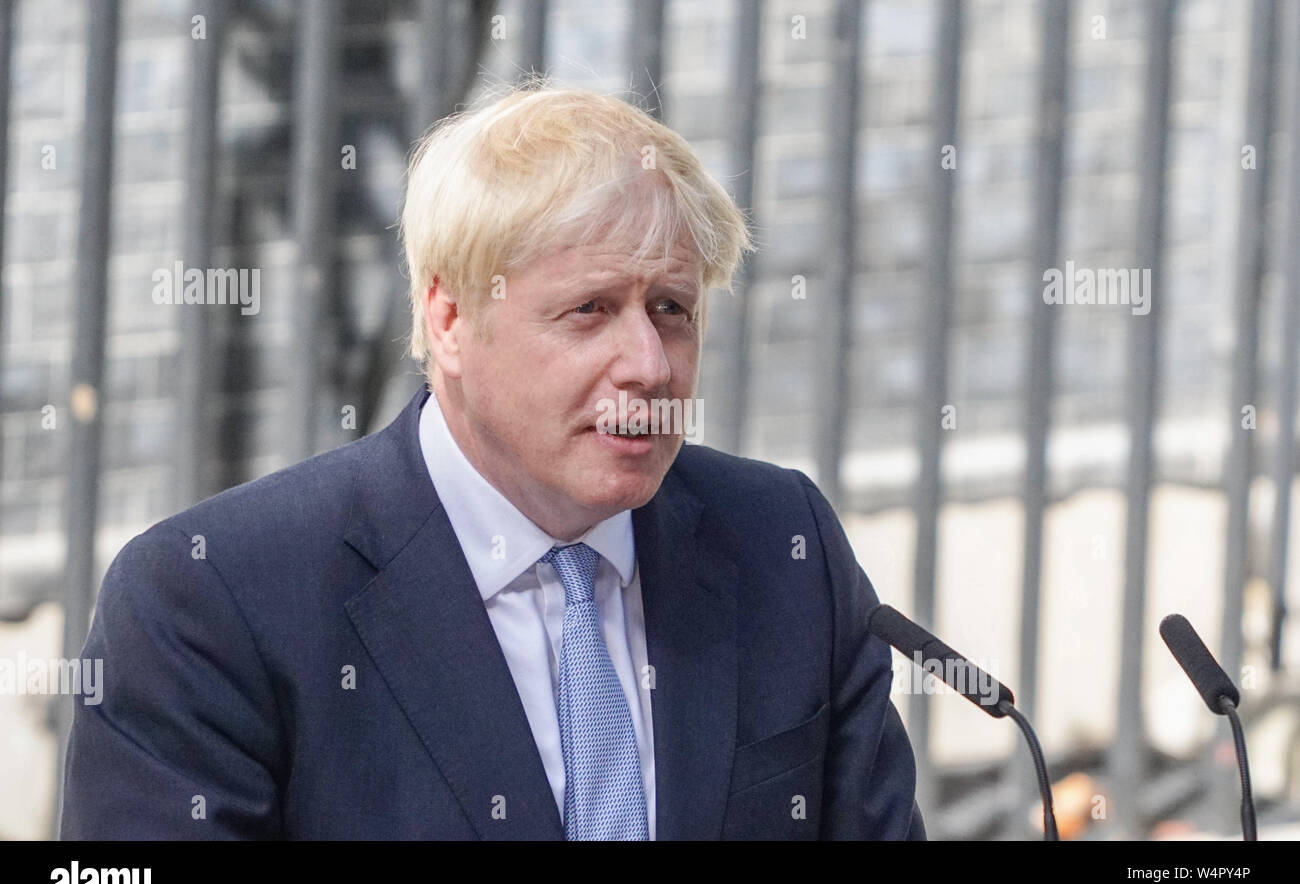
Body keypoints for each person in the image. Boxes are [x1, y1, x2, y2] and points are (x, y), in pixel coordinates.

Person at [60, 82, 924, 840]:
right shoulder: (213, 602)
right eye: (590, 309)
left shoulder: (782, 546)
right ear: (448, 319)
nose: (651, 364)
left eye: (671, 309)